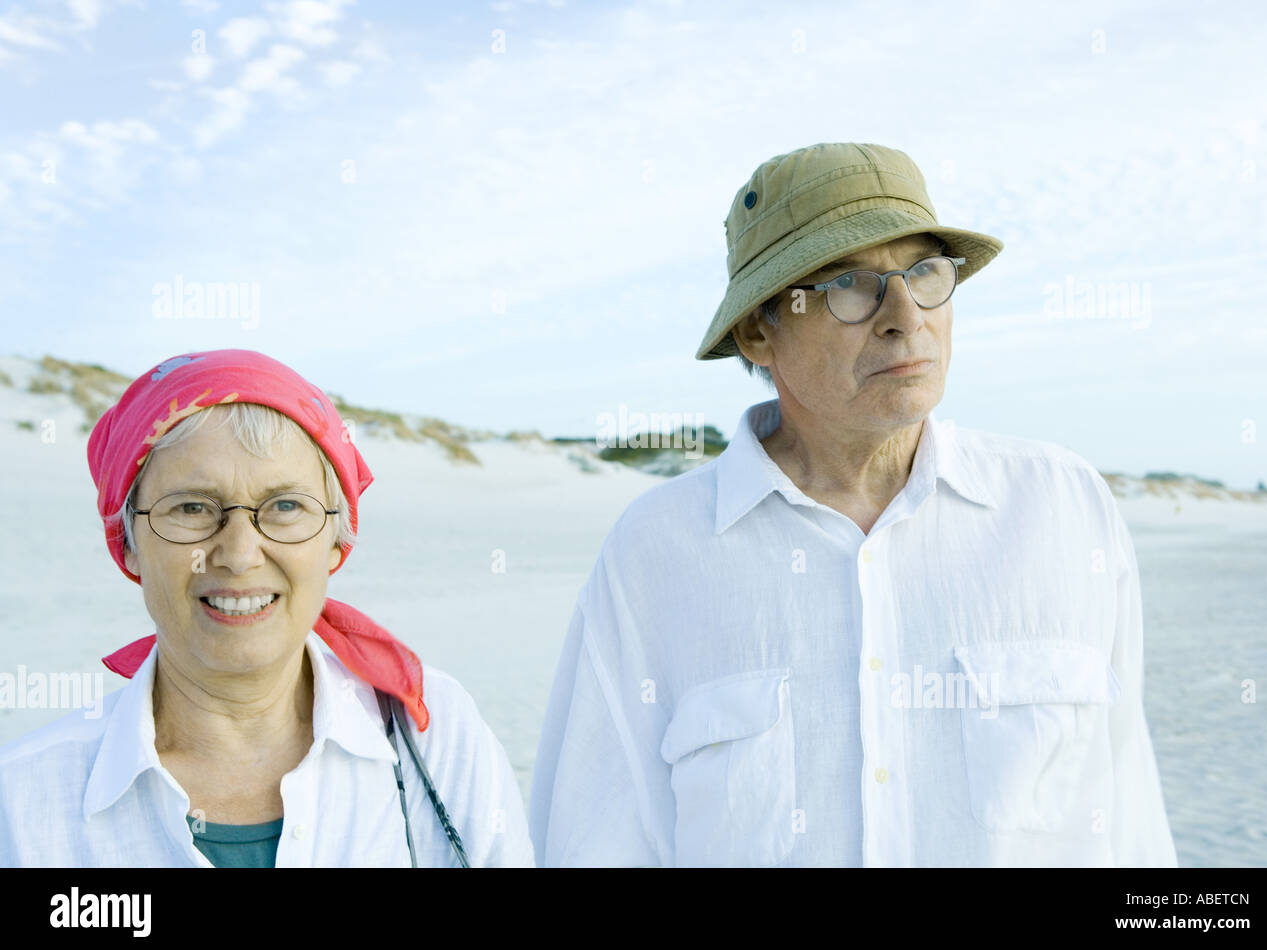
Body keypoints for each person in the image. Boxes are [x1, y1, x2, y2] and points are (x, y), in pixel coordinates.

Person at [529, 142, 1178, 866]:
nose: (906, 315)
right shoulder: (653, 553)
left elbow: (1129, 821)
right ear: (757, 329)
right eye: (850, 283)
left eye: (926, 271)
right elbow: (593, 844)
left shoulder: (1066, 509)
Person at [0, 349, 533, 867]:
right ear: (129, 542)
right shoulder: (25, 803)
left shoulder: (433, 735)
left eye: (284, 506)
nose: (237, 555)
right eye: (191, 507)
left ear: (335, 541)